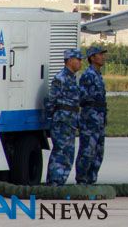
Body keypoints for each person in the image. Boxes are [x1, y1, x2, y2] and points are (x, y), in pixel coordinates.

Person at [45, 48, 82, 185]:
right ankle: (54, 183)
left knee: (68, 153)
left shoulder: (72, 78)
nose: (80, 62)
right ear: (70, 60)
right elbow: (51, 100)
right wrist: (51, 118)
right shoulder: (60, 78)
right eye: (78, 59)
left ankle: (60, 182)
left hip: (70, 122)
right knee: (60, 152)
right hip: (62, 122)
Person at [76, 45, 108, 184]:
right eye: (100, 54)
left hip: (99, 118)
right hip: (90, 118)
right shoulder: (88, 75)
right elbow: (82, 97)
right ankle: (82, 180)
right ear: (92, 58)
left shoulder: (98, 75)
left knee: (98, 152)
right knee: (87, 151)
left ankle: (92, 179)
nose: (103, 57)